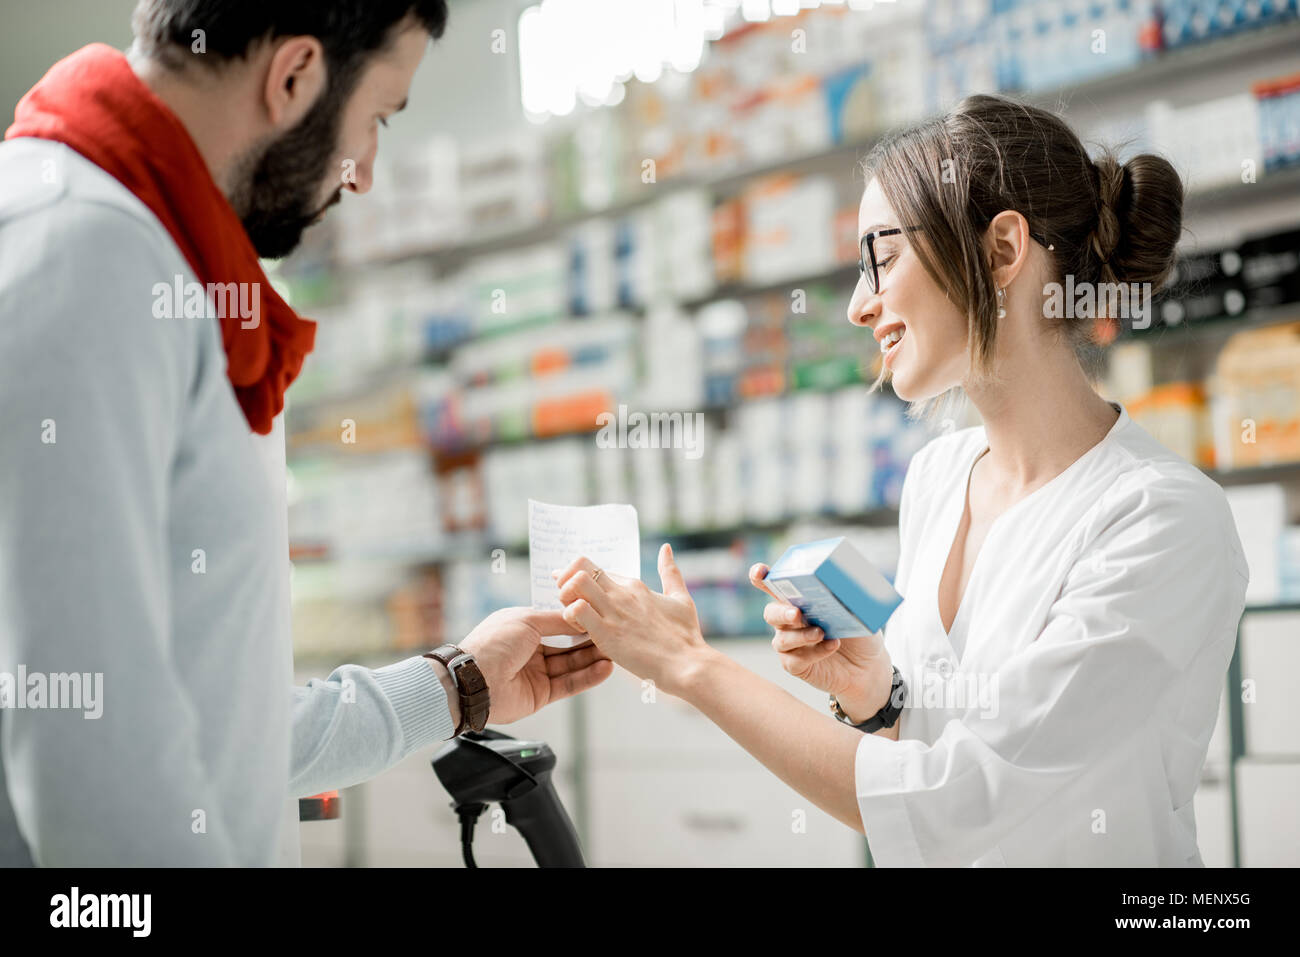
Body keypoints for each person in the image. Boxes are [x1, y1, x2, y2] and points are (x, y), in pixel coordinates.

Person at [553, 94, 1251, 867]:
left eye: (881, 257)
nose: (859, 304)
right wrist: (878, 694)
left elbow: (961, 800)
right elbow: (938, 747)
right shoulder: (939, 476)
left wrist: (692, 667)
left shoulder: (1159, 518)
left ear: (1003, 248)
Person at [0, 0, 611, 866]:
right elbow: (92, 775)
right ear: (294, 77)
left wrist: (458, 685)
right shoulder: (82, 256)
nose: (363, 171)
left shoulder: (164, 260)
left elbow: (219, 722)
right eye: (377, 118)